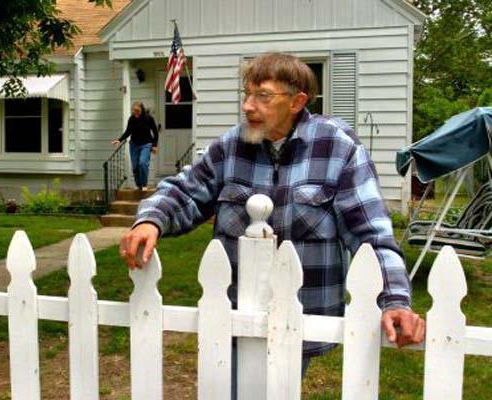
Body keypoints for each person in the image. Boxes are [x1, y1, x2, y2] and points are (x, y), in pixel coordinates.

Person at [119, 53, 425, 383]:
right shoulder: (230, 146)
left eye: (262, 96)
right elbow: (185, 192)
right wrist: (150, 220)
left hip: (303, 317)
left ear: (297, 102)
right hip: (233, 314)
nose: (248, 106)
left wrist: (395, 300)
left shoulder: (338, 147)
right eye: (246, 94)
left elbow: (371, 234)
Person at [112, 101, 159, 190]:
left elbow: (155, 132)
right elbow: (128, 131)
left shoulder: (149, 119)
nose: (135, 113)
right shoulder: (132, 119)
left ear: (142, 110)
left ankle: (144, 184)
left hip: (146, 144)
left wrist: (154, 145)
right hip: (134, 145)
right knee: (135, 166)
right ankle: (139, 185)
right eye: (134, 111)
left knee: (142, 163)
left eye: (137, 111)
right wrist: (119, 140)